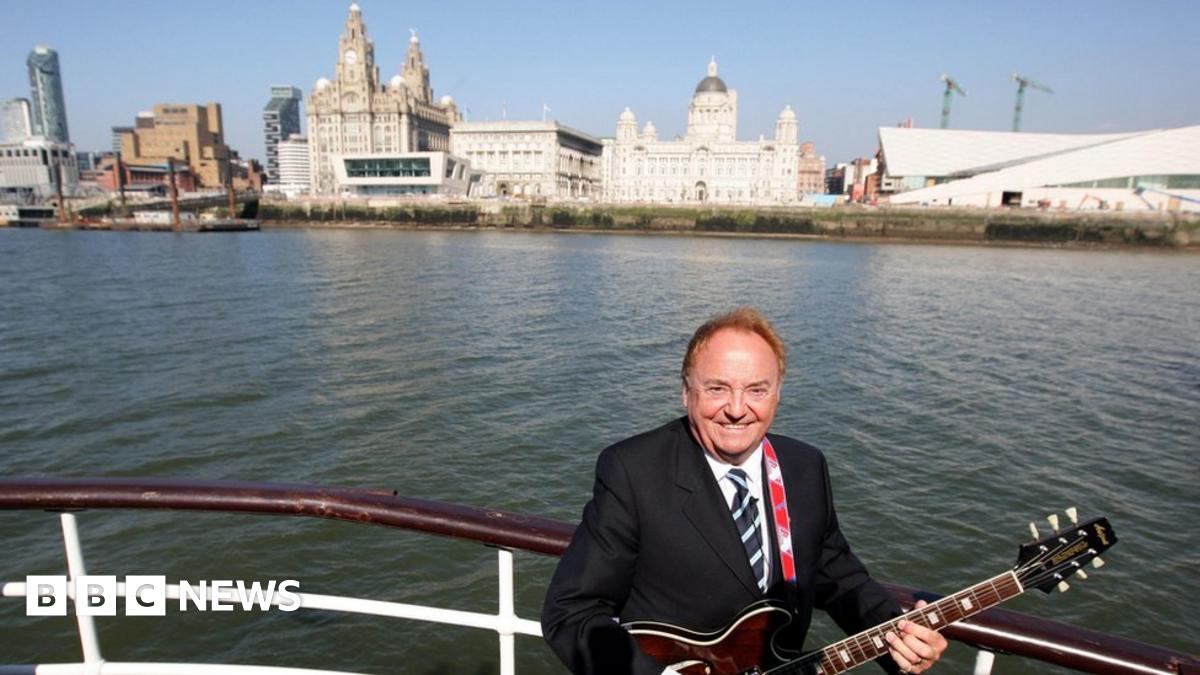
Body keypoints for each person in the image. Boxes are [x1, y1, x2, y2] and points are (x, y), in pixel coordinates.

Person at [541, 307, 947, 674]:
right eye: (717, 388)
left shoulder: (804, 466)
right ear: (686, 392)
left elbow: (834, 572)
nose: (737, 408)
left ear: (777, 395)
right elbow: (571, 612)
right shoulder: (633, 470)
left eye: (757, 390)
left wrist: (895, 635)